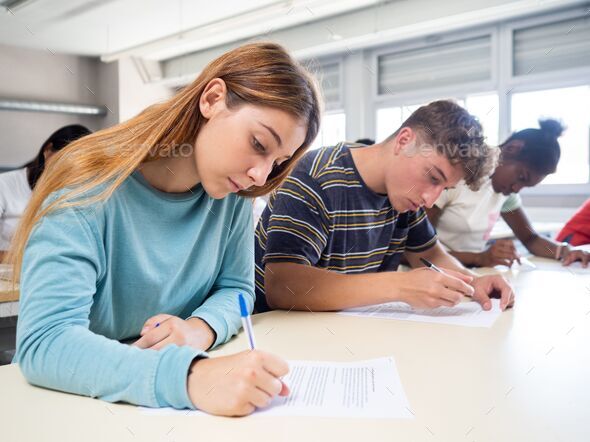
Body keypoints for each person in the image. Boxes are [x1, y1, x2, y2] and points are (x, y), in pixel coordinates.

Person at [9, 42, 321, 417]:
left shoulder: (234, 191)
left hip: (153, 407)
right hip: (77, 403)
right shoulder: (87, 185)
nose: (260, 174)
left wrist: (197, 330)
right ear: (212, 99)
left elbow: (236, 288)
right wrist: (193, 376)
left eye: (277, 161)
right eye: (258, 143)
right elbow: (45, 341)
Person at [254, 100, 515, 313]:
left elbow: (431, 255)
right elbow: (283, 287)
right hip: (276, 331)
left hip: (348, 328)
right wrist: (400, 286)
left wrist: (472, 283)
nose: (431, 199)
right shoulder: (316, 175)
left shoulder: (404, 196)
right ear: (404, 140)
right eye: (433, 177)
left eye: (444, 188)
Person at [427, 119, 590, 268]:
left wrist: (565, 251)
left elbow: (530, 239)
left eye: (526, 186)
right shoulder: (456, 176)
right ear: (511, 149)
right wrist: (479, 258)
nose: (517, 189)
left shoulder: (505, 195)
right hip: (429, 274)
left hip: (464, 273)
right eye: (521, 177)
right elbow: (415, 249)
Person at [0, 124, 91, 260]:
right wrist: (31, 259)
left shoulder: (81, 191)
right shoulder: (5, 183)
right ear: (47, 150)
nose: (65, 171)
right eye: (62, 162)